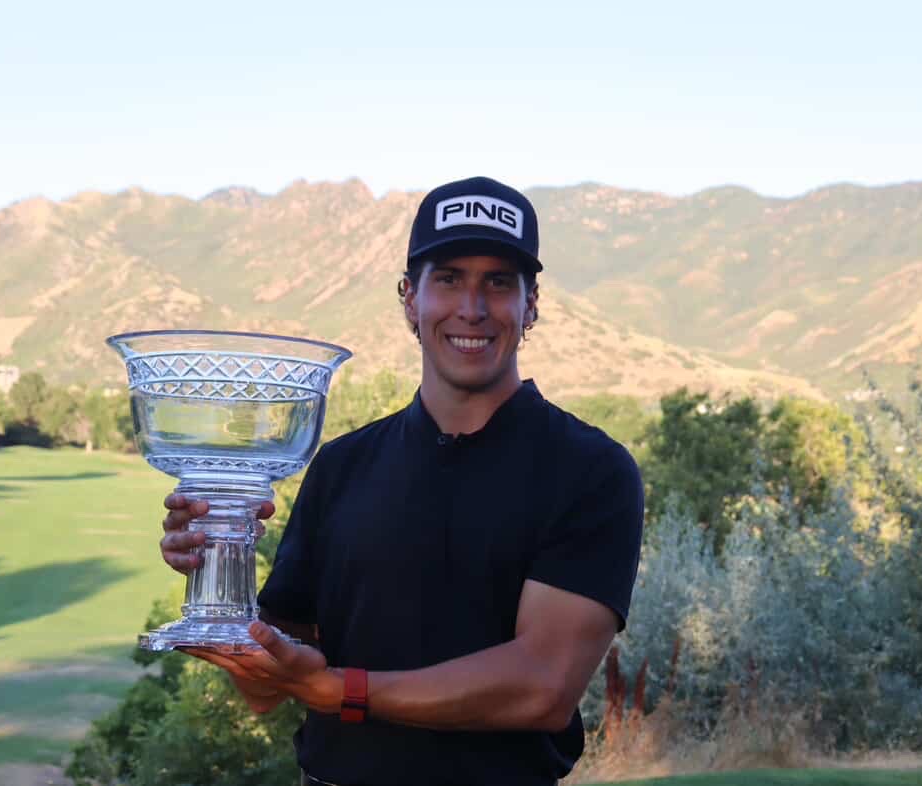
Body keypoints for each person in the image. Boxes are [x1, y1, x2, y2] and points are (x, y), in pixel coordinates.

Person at [160, 176, 644, 786]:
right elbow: (266, 690)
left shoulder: (591, 471)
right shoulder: (341, 466)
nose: (473, 308)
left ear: (531, 305)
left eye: (499, 282)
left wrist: (343, 691)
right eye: (449, 279)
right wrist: (215, 564)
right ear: (410, 298)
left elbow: (541, 687)